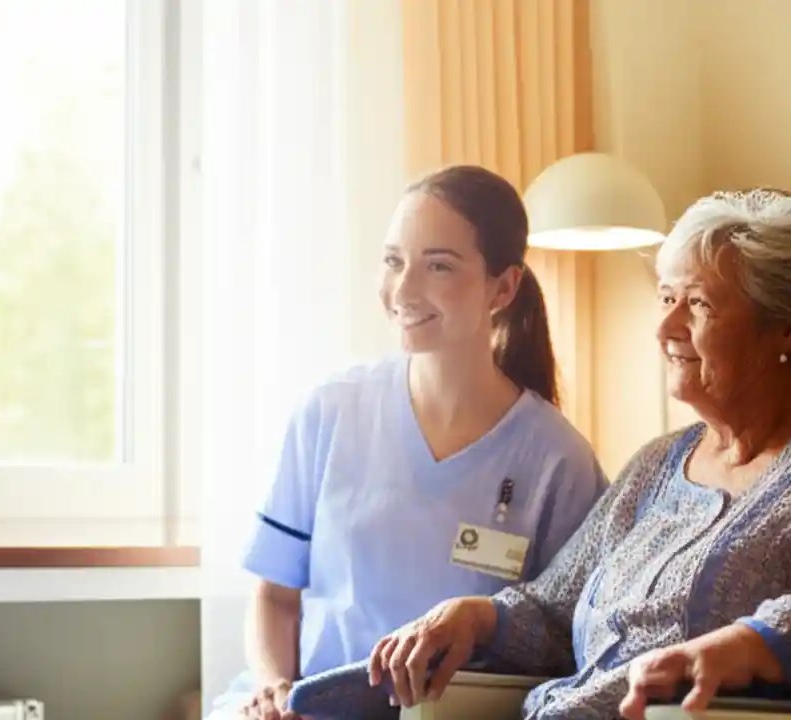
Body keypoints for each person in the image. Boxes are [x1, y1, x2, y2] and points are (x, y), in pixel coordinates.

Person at [367, 187, 791, 720]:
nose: (665, 328)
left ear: (782, 329)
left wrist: (752, 641)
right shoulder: (658, 464)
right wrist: (476, 616)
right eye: (666, 299)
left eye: (699, 304)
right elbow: (554, 607)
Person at [211, 165, 607, 720]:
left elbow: (565, 635)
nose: (403, 289)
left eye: (438, 265)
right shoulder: (330, 412)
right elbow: (275, 595)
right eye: (394, 261)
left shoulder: (557, 461)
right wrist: (273, 686)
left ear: (503, 287)